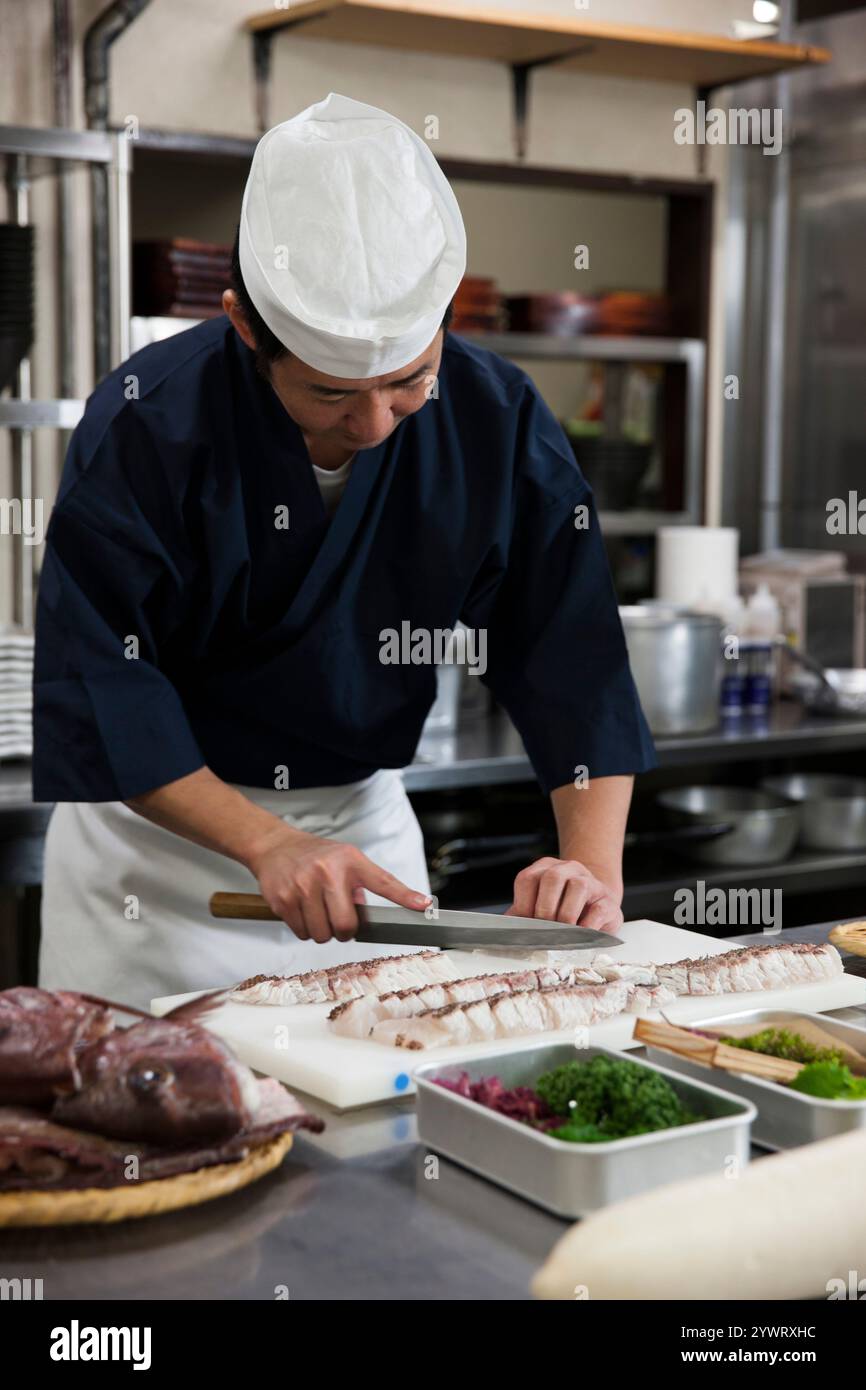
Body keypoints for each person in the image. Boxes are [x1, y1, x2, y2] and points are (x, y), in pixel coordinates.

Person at [34, 93, 655, 1009]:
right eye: (330, 392)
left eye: (409, 381)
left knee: (380, 1117)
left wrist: (591, 867)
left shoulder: (498, 418)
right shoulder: (147, 421)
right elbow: (104, 683)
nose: (372, 424)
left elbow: (574, 659)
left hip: (365, 858)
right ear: (247, 328)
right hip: (157, 861)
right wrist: (268, 843)